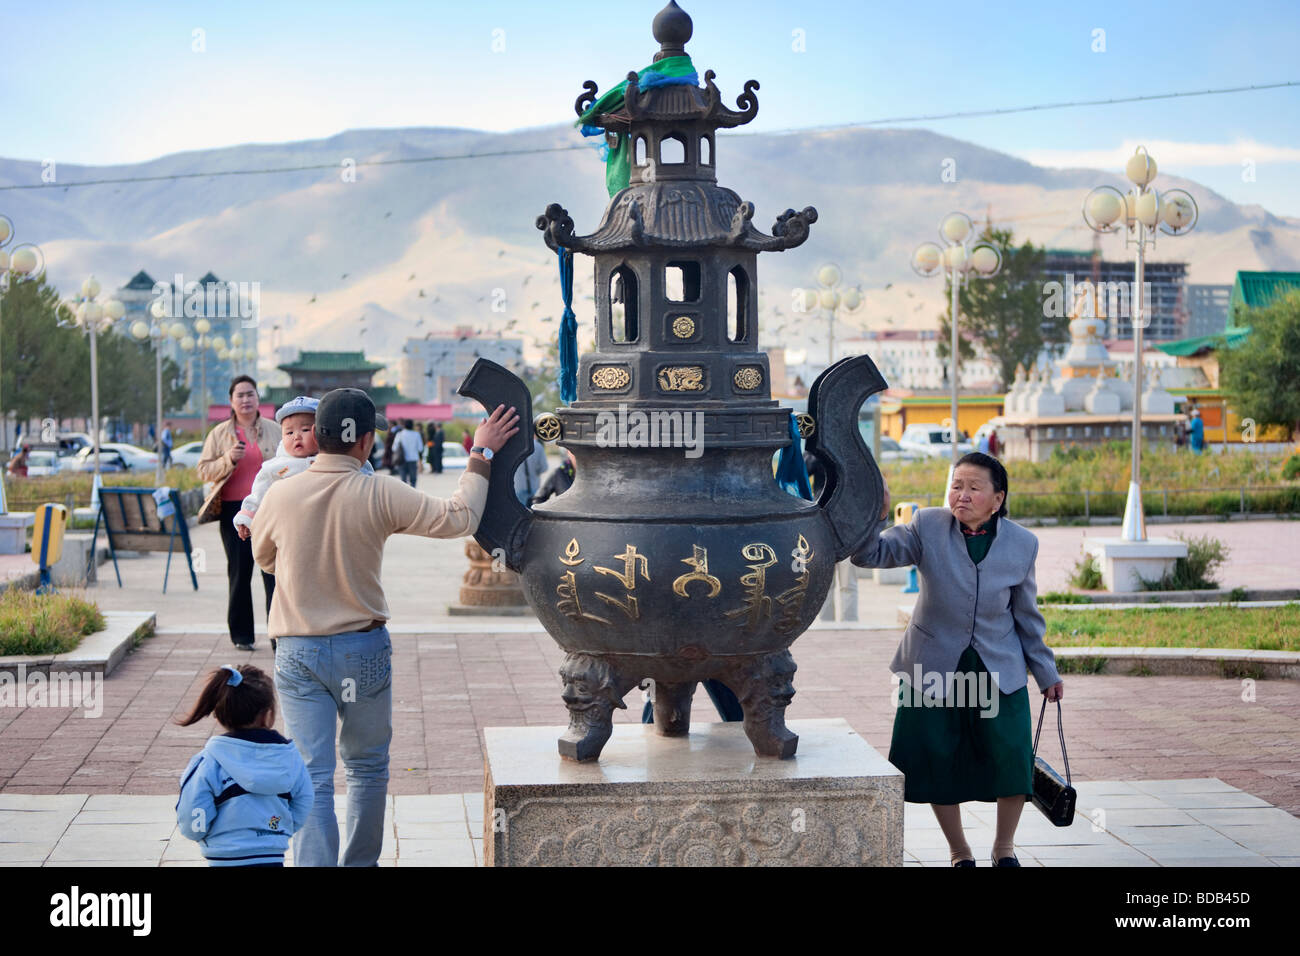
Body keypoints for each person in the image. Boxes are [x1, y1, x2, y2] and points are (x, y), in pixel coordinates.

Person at [251, 389, 518, 867]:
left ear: (319, 435)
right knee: (367, 770)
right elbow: (459, 517)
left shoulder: (280, 494)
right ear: (365, 442)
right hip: (362, 650)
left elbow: (264, 559)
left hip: (296, 651)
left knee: (312, 773)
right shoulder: (380, 490)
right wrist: (481, 452)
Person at [852, 451, 1064, 867]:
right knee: (936, 756)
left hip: (997, 666)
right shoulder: (928, 525)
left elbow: (1027, 615)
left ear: (997, 499)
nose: (961, 495)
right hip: (932, 665)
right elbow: (870, 555)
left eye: (973, 487)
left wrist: (1046, 672)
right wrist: (874, 510)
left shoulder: (1023, 543)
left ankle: (1004, 849)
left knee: (1011, 754)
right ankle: (959, 851)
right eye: (956, 485)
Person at [175, 664, 313, 867]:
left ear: (219, 714)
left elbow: (193, 814)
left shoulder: (207, 762)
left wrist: (204, 835)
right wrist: (280, 830)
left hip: (223, 857)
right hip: (271, 855)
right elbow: (304, 801)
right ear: (268, 714)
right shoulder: (289, 758)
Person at [196, 376, 281, 650]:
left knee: (275, 573)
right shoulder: (219, 434)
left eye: (250, 394)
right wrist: (228, 459)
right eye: (240, 395)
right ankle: (242, 636)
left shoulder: (275, 430)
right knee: (239, 572)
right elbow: (203, 470)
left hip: (270, 508)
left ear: (258, 398)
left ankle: (280, 634)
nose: (246, 400)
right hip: (234, 510)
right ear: (231, 401)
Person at [513, 440, 549, 506]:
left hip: (518, 488)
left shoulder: (513, 446)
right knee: (533, 514)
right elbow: (544, 468)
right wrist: (535, 471)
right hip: (534, 488)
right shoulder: (538, 446)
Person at [392, 419, 423, 488]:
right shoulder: (416, 434)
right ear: (412, 426)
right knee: (413, 480)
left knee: (403, 481)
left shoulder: (399, 434)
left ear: (404, 425)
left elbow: (394, 448)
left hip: (402, 460)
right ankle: (413, 495)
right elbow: (420, 448)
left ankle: (404, 496)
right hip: (413, 459)